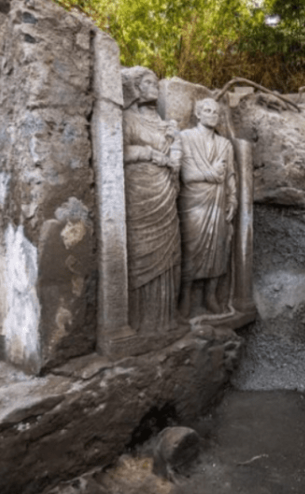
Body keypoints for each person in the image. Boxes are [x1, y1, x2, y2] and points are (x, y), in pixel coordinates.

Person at [122, 67, 185, 336]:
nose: (154, 87)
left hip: (165, 191)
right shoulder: (126, 119)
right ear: (136, 88)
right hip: (140, 192)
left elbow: (177, 158)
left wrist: (175, 140)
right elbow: (119, 151)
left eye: (156, 83)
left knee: (169, 252)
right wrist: (149, 153)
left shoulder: (164, 123)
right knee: (142, 251)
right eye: (148, 83)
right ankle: (142, 322)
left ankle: (165, 318)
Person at [178, 98, 237, 316]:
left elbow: (229, 174)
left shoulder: (225, 144)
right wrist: (212, 174)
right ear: (198, 113)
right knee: (190, 248)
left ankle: (210, 296)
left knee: (218, 247)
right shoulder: (185, 138)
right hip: (193, 203)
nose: (212, 114)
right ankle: (185, 296)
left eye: (216, 112)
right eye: (207, 110)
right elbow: (187, 175)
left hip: (218, 202)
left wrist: (233, 200)